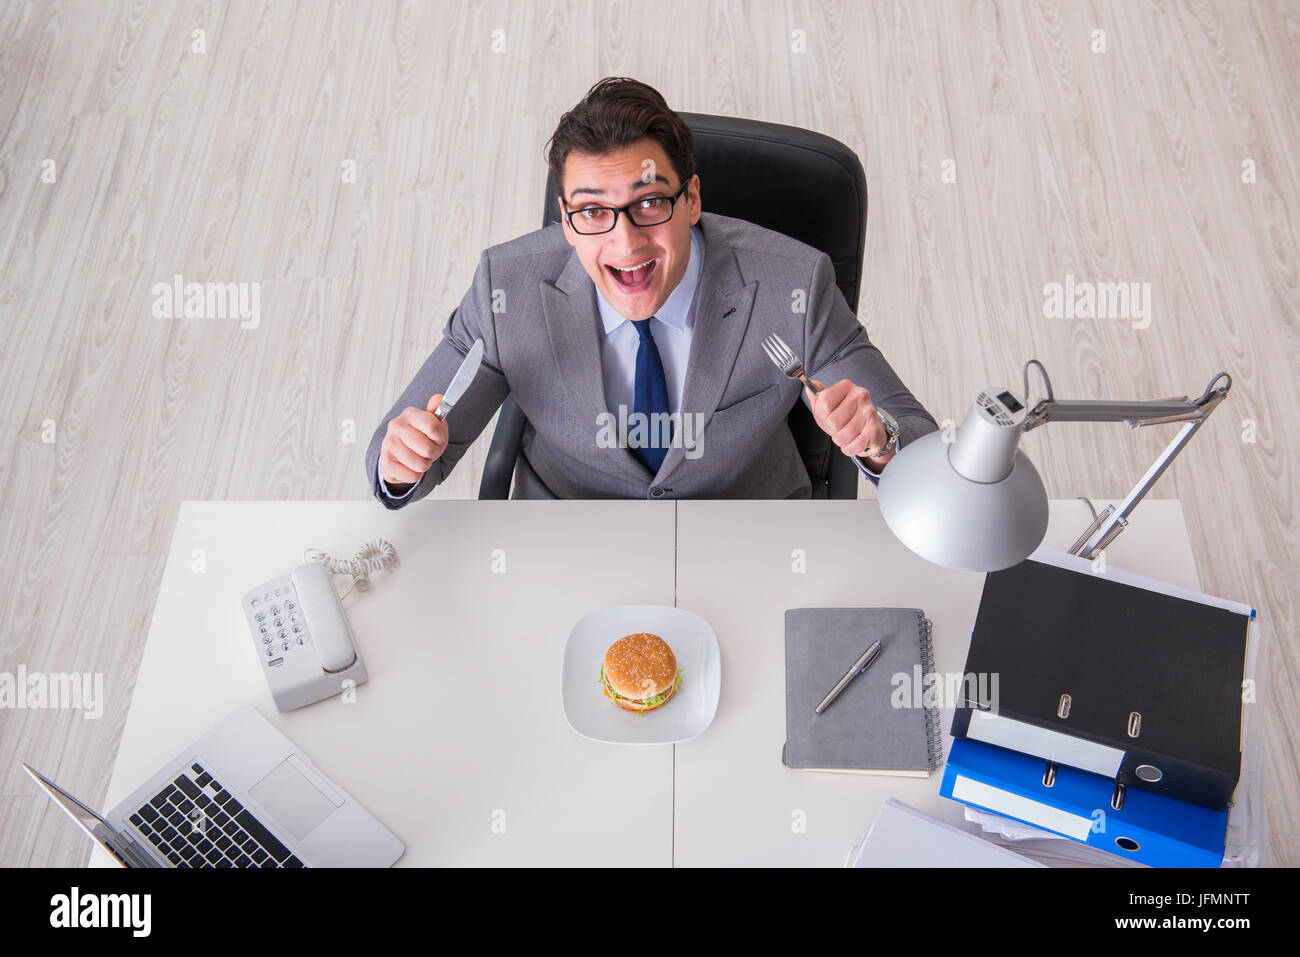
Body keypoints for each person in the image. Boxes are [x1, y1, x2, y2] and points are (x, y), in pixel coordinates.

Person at [366, 77, 936, 504]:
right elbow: (391, 465)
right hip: (571, 536)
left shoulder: (794, 283)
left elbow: (920, 444)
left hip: (746, 536)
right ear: (564, 222)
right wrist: (402, 463)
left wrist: (880, 440)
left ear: (690, 200)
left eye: (648, 203)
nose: (625, 242)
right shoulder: (505, 289)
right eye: (592, 211)